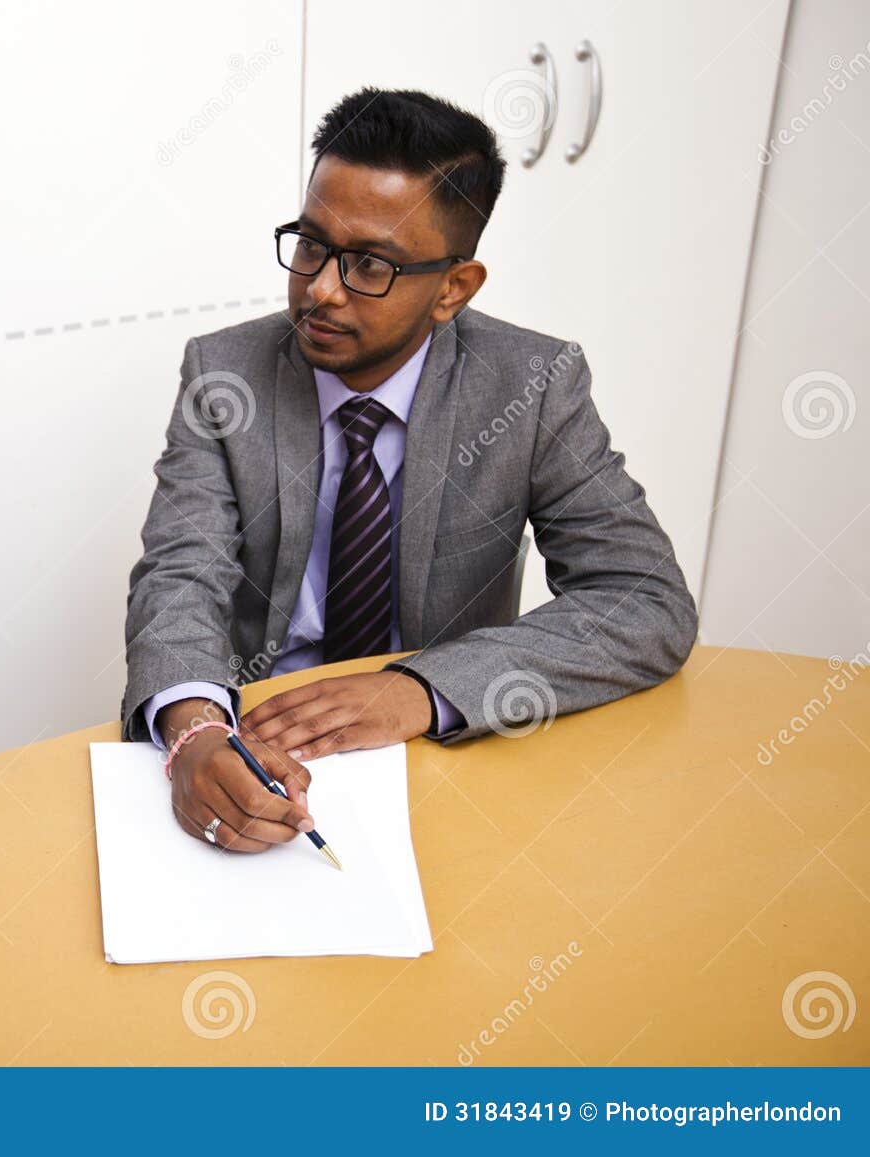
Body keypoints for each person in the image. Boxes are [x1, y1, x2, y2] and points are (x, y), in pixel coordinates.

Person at [122, 88, 698, 852]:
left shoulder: (531, 387)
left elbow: (644, 599)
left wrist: (423, 689)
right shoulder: (224, 373)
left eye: (370, 264)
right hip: (258, 739)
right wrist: (195, 730)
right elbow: (179, 577)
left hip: (444, 748)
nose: (321, 288)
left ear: (453, 288)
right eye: (310, 244)